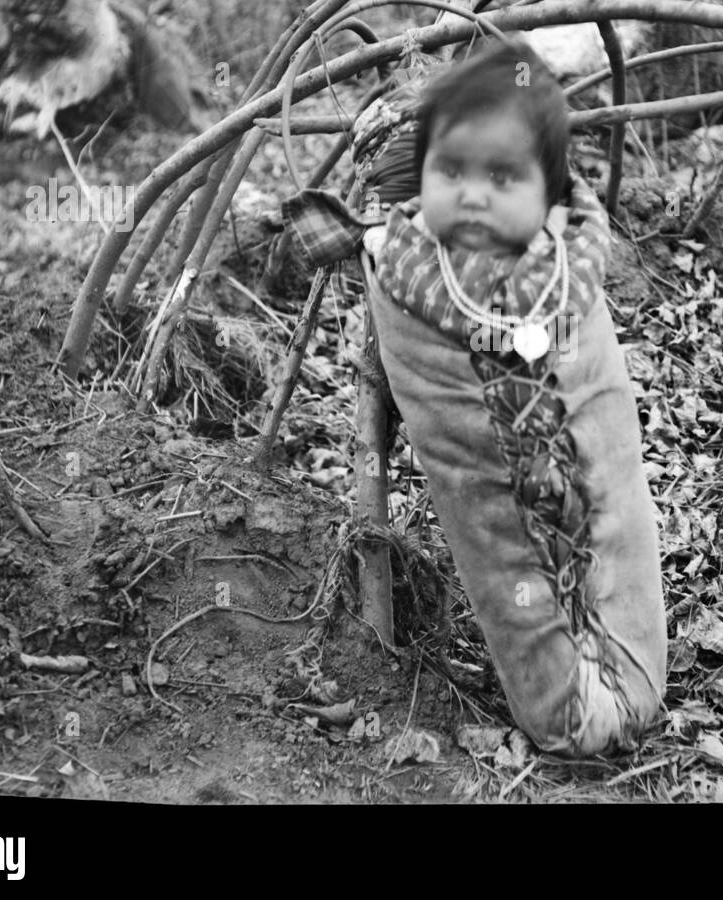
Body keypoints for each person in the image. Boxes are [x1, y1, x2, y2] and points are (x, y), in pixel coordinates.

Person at [283, 39, 667, 756]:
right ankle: (569, 697)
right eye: (450, 171)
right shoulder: (410, 265)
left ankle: (620, 659)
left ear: (550, 196)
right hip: (558, 694)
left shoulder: (563, 263)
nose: (472, 196)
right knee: (508, 538)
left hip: (581, 457)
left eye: (503, 177)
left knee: (608, 505)